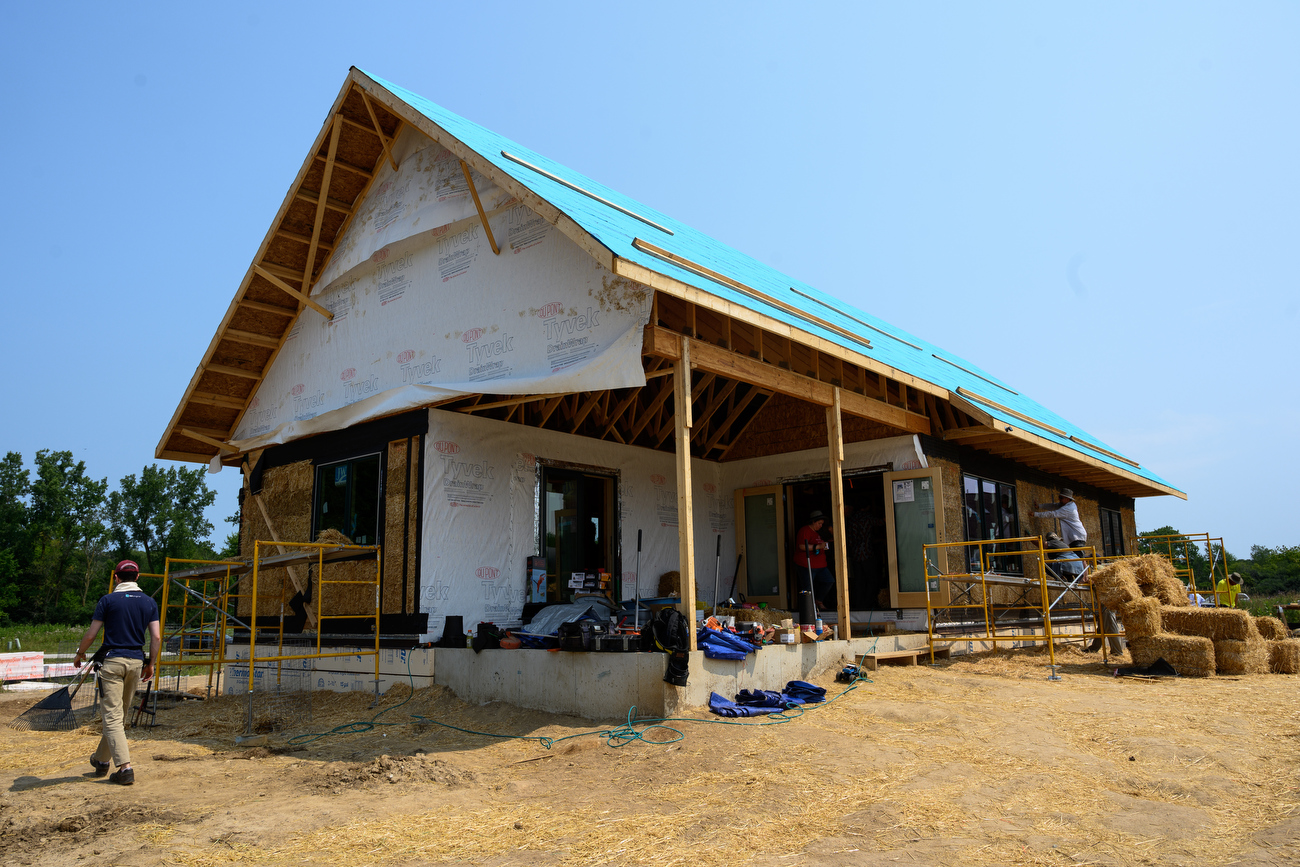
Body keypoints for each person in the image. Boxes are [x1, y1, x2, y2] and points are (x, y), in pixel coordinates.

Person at [73, 560, 161, 786]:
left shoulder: (108, 600)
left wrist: (80, 653)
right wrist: (151, 664)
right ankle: (101, 760)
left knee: (112, 717)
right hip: (136, 662)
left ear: (116, 577)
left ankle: (125, 768)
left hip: (112, 662)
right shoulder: (149, 602)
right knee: (118, 716)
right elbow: (156, 637)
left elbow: (91, 634)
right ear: (138, 576)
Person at [795, 510, 836, 611]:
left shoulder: (818, 532)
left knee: (829, 581)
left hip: (820, 565)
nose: (820, 526)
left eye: (822, 524)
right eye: (819, 523)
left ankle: (818, 601)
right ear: (813, 522)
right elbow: (802, 546)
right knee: (808, 588)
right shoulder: (805, 530)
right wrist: (818, 546)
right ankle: (808, 609)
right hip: (807, 564)